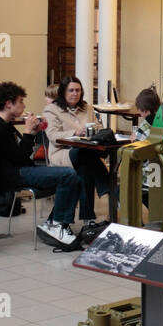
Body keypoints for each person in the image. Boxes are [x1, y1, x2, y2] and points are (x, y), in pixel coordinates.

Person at [0, 82, 83, 250]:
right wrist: (28, 133)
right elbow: (19, 157)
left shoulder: (6, 126)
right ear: (8, 104)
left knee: (75, 176)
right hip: (13, 175)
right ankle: (57, 224)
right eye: (20, 101)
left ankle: (54, 223)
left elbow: (20, 153)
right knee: (68, 175)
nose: (23, 105)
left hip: (22, 170)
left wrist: (32, 133)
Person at [43, 75, 107, 219]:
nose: (75, 94)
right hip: (62, 154)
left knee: (85, 170)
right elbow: (53, 136)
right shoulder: (51, 110)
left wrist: (94, 131)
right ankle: (107, 186)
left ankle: (88, 219)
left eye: (78, 90)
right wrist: (75, 133)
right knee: (84, 156)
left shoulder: (87, 108)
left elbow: (99, 127)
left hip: (85, 153)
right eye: (71, 90)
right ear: (63, 92)